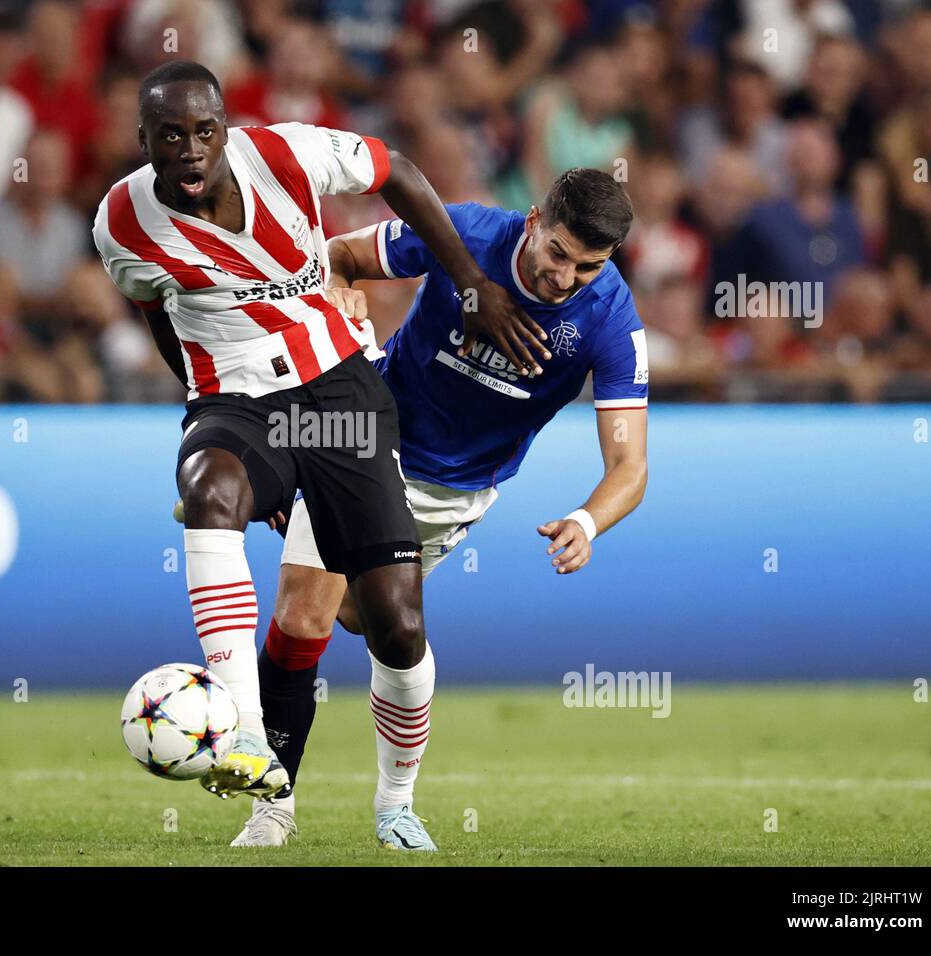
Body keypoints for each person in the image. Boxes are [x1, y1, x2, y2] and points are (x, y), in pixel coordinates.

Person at [92, 60, 549, 850]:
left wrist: (471, 282)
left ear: (225, 129)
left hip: (341, 393)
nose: (193, 150)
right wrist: (209, 413)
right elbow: (159, 314)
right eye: (172, 136)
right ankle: (246, 749)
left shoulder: (289, 153)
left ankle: (395, 802)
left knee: (394, 624)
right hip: (237, 399)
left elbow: (398, 171)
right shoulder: (121, 224)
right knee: (210, 492)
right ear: (146, 143)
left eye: (206, 131)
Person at [233, 169, 651, 849]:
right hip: (370, 435)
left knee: (381, 626)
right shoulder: (464, 231)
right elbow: (337, 254)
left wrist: (586, 520)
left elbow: (630, 467)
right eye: (557, 254)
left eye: (587, 266)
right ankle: (271, 807)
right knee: (299, 610)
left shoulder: (610, 320)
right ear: (535, 218)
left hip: (452, 489)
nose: (565, 277)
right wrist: (340, 292)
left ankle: (394, 805)